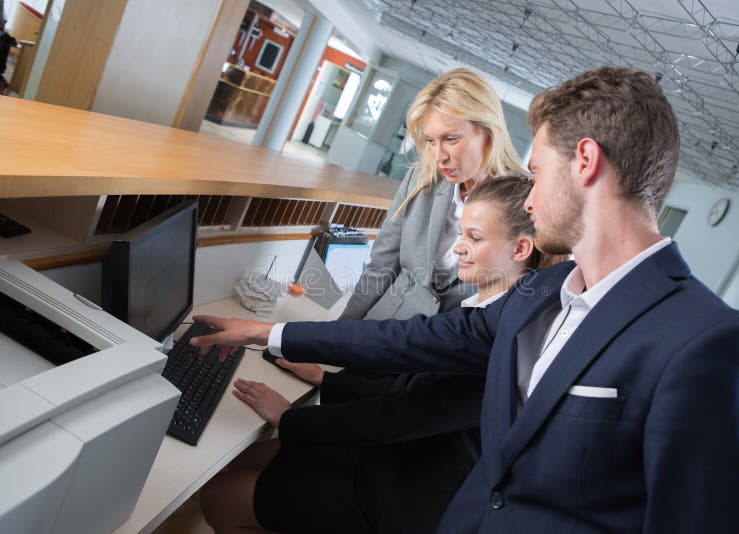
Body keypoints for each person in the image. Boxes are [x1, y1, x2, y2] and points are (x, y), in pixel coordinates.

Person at [192, 67, 739, 533]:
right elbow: (416, 339)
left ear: (584, 162)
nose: (527, 198)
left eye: (536, 172)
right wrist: (265, 333)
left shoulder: (717, 346)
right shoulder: (546, 289)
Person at [199, 177, 567, 533]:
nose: (457, 247)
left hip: (404, 495)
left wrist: (290, 417)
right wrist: (324, 379)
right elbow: (405, 380)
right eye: (460, 233)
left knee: (219, 498)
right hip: (388, 457)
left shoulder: (502, 334)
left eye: (474, 237)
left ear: (520, 249)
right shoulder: (487, 309)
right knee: (249, 460)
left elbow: (399, 414)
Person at [339, 67, 527, 321]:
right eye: (430, 141)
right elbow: (381, 265)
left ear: (487, 133)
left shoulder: (521, 203)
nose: (439, 156)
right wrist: (338, 334)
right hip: (382, 326)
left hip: (446, 345)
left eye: (450, 139)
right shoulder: (420, 180)